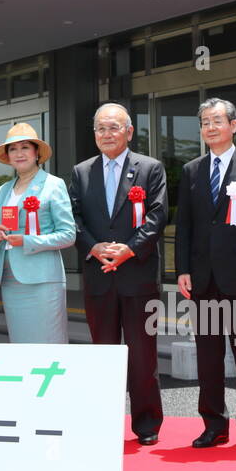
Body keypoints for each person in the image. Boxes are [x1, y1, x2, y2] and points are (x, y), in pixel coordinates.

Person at [176, 97, 236, 451]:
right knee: (208, 359)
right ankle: (214, 425)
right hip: (202, 281)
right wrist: (182, 269)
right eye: (205, 122)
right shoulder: (191, 171)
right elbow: (183, 226)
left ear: (234, 125)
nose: (210, 127)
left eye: (217, 121)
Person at [69, 103, 168, 444]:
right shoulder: (81, 172)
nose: (106, 134)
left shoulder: (150, 168)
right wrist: (94, 248)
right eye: (100, 128)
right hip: (98, 275)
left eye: (113, 127)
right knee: (104, 353)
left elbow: (157, 216)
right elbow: (74, 219)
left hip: (137, 275)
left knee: (143, 354)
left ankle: (146, 424)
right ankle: (106, 421)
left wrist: (129, 250)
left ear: (128, 131)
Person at [0, 123, 73, 344]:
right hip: (9, 277)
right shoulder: (3, 190)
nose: (19, 153)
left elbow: (68, 234)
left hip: (43, 279)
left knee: (49, 343)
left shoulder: (54, 185)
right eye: (13, 149)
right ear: (7, 156)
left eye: (25, 147)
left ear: (37, 153)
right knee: (20, 343)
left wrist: (27, 241)